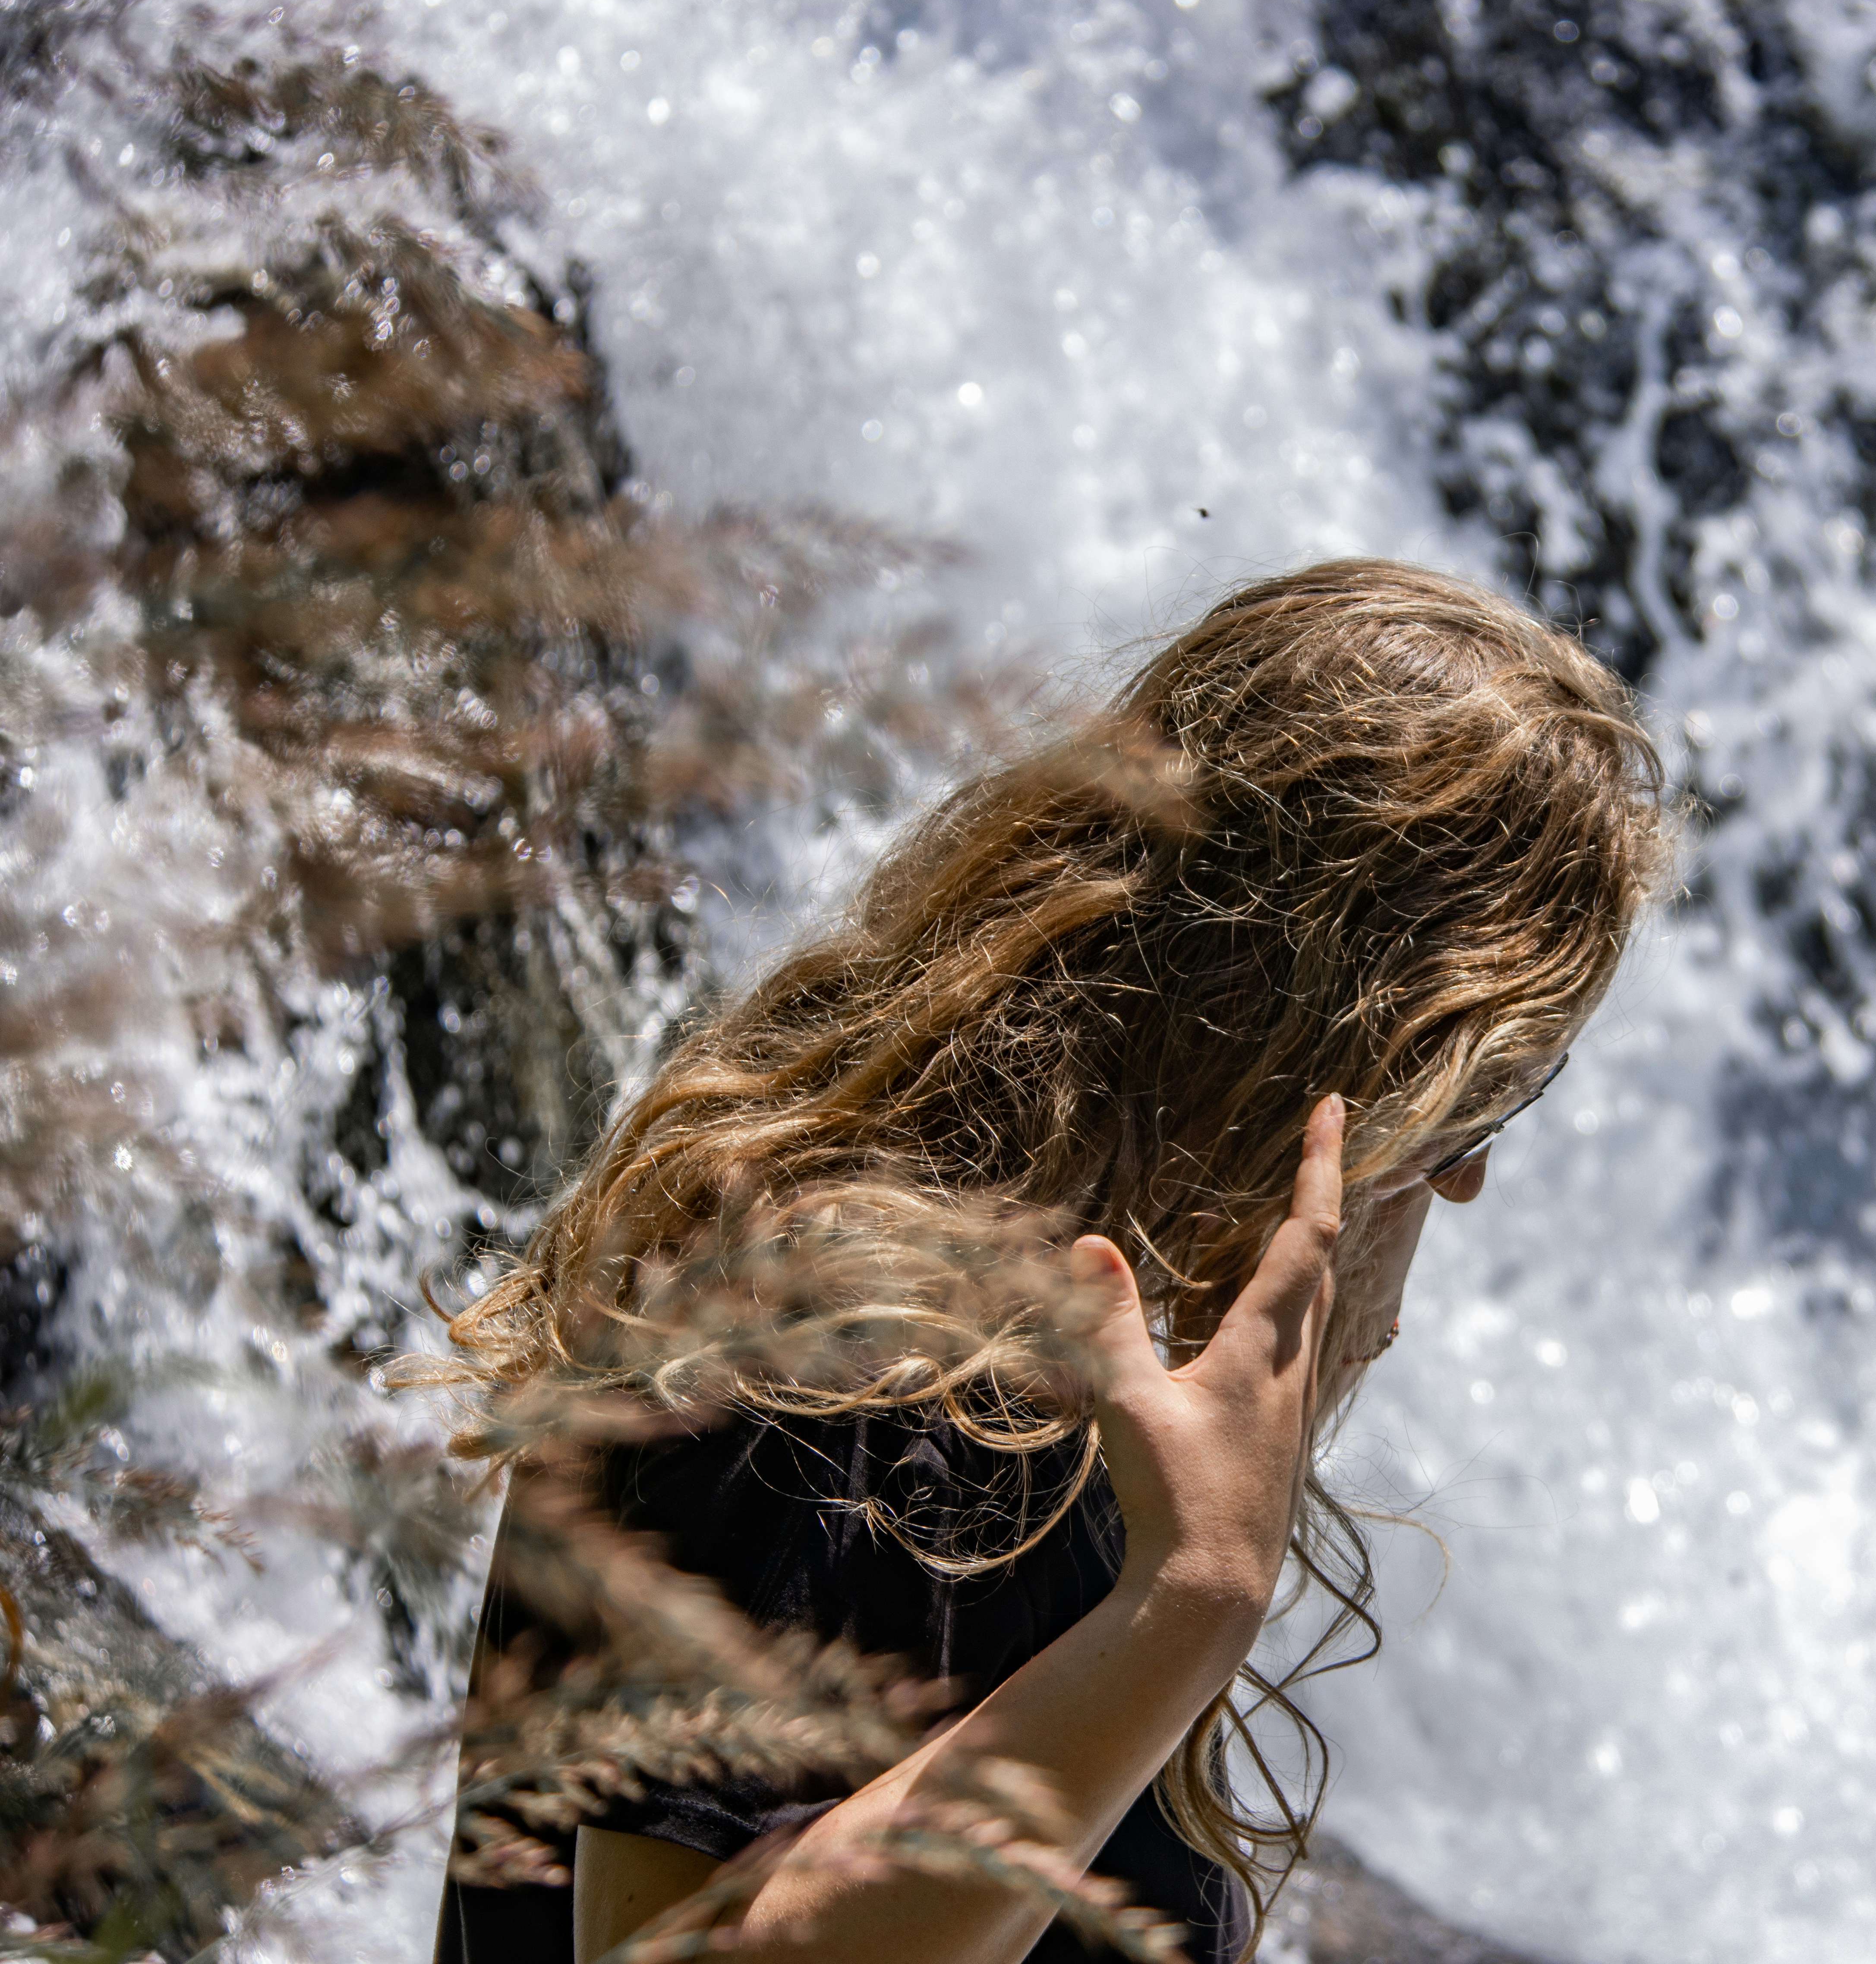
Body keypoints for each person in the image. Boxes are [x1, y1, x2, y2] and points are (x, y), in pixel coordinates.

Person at [423, 560, 1672, 1964]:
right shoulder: (831, 1358)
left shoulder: (1044, 1404)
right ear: (1332, 1054)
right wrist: (1189, 1603)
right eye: (1490, 1094)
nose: (1471, 1175)